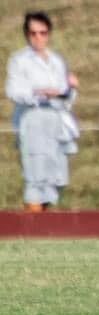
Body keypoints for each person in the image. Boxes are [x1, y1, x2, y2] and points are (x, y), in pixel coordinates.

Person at [7, 12, 78, 211]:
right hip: (32, 119)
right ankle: (32, 225)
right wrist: (39, 93)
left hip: (56, 120)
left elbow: (67, 95)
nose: (38, 38)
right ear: (26, 34)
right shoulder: (19, 60)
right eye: (33, 33)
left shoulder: (57, 60)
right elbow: (13, 91)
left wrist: (70, 88)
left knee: (55, 175)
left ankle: (43, 220)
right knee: (35, 174)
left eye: (43, 33)